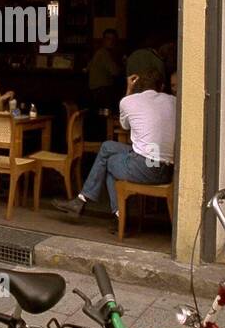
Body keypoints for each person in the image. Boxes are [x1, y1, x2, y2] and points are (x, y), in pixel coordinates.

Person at [51, 66, 174, 221]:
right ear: (162, 86)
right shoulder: (173, 101)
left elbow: (124, 125)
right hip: (167, 169)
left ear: (138, 85)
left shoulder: (129, 101)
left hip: (147, 167)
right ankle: (86, 202)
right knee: (107, 146)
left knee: (109, 163)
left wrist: (129, 89)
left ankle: (114, 213)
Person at [86, 28, 121, 113]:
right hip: (102, 91)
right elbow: (115, 72)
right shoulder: (104, 53)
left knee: (101, 115)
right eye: (108, 39)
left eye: (113, 39)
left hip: (96, 91)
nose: (111, 41)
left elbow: (87, 68)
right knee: (106, 115)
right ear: (103, 40)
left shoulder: (99, 52)